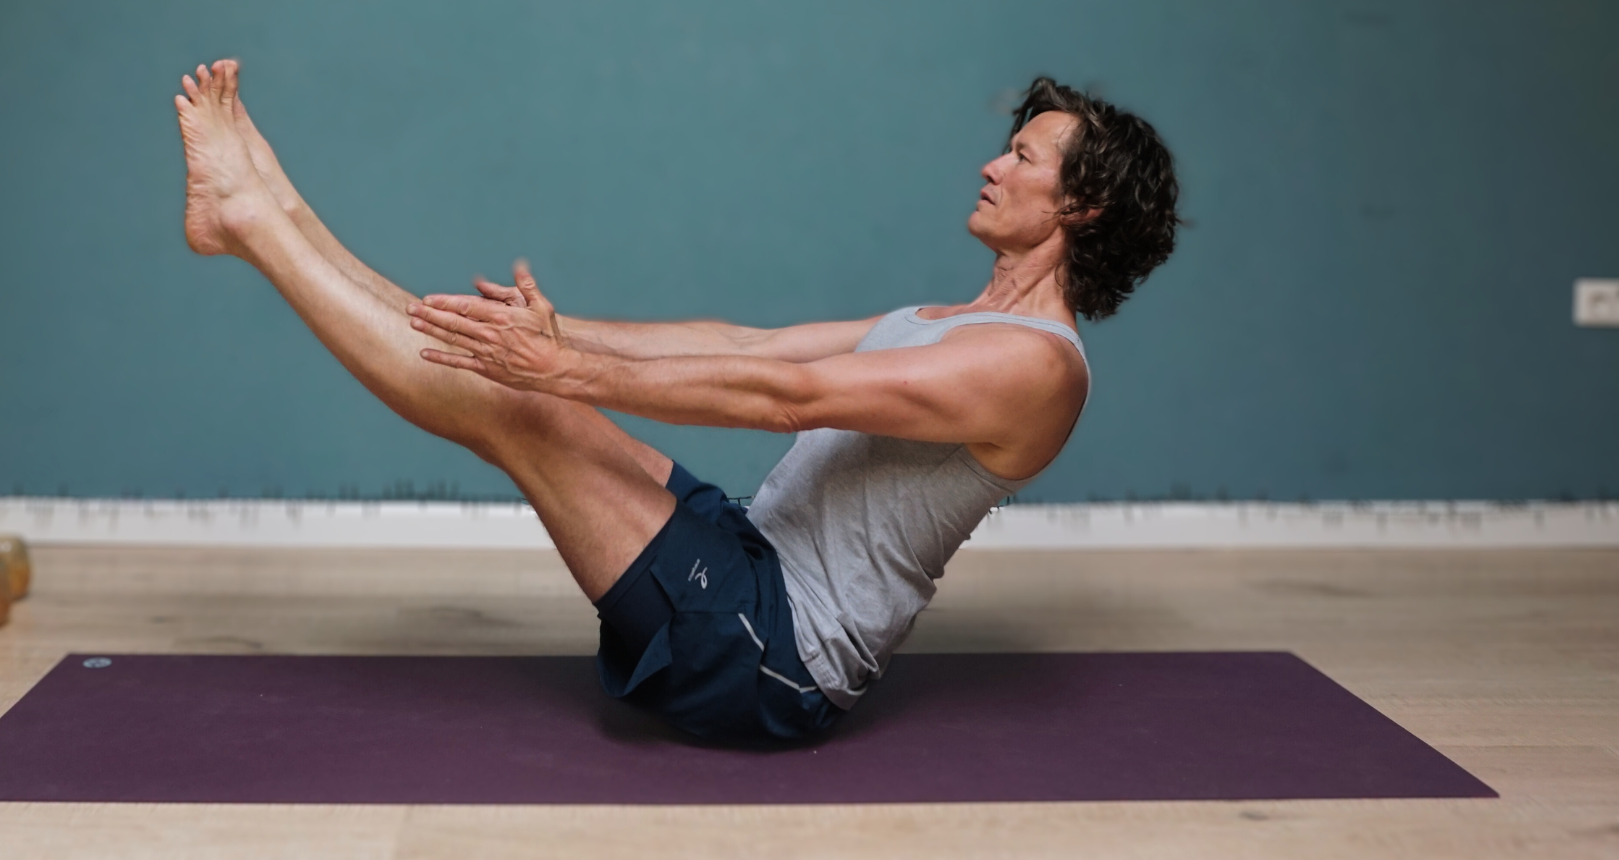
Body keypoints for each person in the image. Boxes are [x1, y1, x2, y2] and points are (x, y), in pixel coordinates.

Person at [175, 63, 1180, 743]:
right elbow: (745, 345)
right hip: (749, 555)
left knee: (519, 404)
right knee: (508, 372)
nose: (991, 164)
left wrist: (560, 374)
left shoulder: (1035, 367)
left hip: (774, 656)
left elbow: (788, 396)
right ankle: (276, 211)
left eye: (1023, 158)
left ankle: (256, 224)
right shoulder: (948, 320)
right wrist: (560, 338)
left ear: (1081, 205)